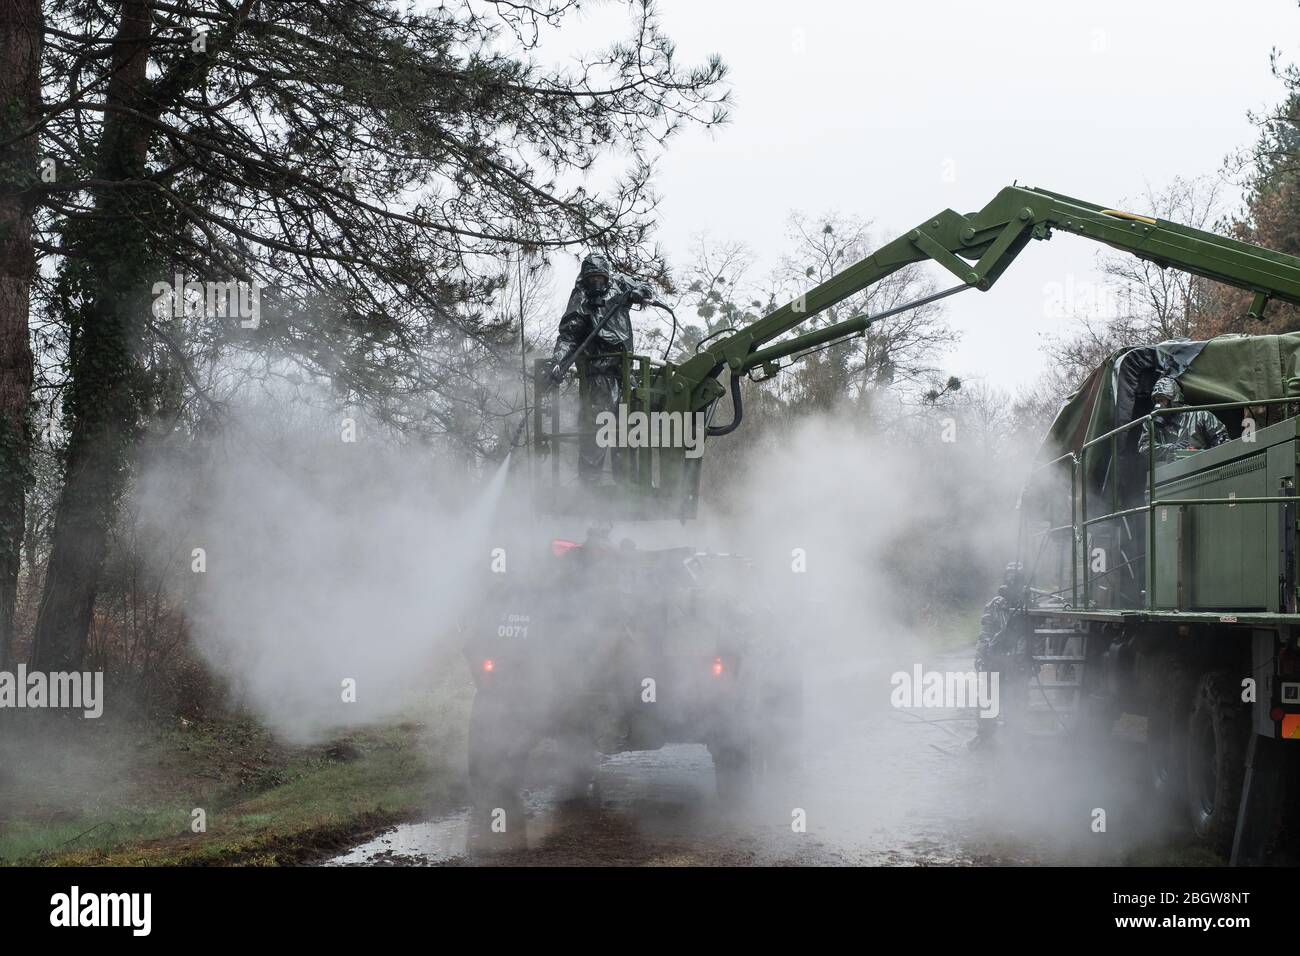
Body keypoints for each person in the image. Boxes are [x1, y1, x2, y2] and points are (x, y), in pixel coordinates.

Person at [550, 254, 655, 483]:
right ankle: (590, 491)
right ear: (584, 279)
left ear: (607, 276)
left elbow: (647, 287)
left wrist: (639, 293)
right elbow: (568, 336)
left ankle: (627, 486)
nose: (596, 282)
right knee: (595, 435)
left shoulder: (620, 284)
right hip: (597, 378)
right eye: (591, 278)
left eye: (600, 277)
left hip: (626, 374)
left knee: (629, 434)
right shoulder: (581, 299)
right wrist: (558, 360)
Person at [1137, 375, 1229, 462]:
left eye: (1162, 400)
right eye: (1156, 401)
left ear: (1174, 399)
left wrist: (1201, 454)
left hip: (1201, 468)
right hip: (1168, 474)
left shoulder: (1201, 416)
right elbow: (1144, 447)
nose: (1158, 405)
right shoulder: (1151, 422)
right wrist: (1170, 449)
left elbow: (1224, 442)